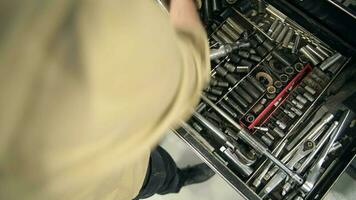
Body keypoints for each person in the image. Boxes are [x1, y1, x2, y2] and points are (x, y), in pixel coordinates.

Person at [0, 0, 213, 200]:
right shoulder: (35, 39)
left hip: (106, 168)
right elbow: (184, 72)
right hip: (120, 181)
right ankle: (179, 180)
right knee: (161, 174)